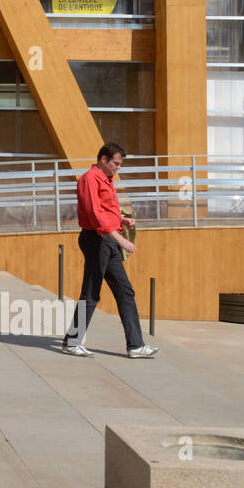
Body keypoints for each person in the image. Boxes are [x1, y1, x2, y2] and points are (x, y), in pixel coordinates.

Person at [62, 141, 158, 359]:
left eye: (120, 164)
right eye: (115, 163)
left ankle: (135, 345)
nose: (118, 167)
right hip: (97, 240)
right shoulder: (90, 179)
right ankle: (72, 342)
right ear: (103, 160)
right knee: (91, 292)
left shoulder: (106, 179)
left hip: (108, 239)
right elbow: (94, 215)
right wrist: (121, 240)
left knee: (125, 291)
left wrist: (120, 220)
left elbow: (104, 211)